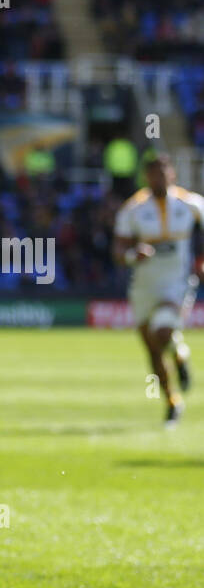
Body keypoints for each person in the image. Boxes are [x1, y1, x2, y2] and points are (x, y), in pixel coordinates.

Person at [112, 155, 204, 426]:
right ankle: (173, 400)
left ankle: (175, 347)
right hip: (144, 285)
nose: (159, 179)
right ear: (146, 178)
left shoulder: (192, 204)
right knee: (152, 349)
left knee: (161, 331)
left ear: (172, 175)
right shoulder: (133, 209)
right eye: (153, 174)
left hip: (177, 282)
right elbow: (118, 249)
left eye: (163, 173)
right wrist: (131, 255)